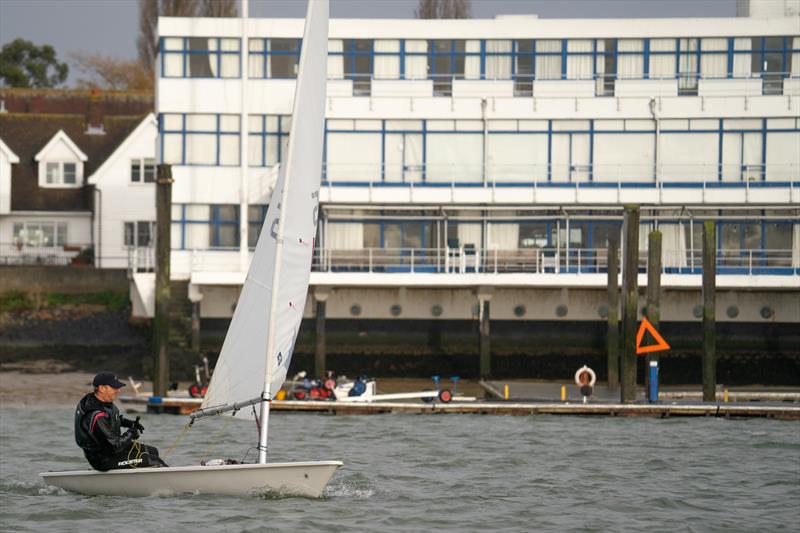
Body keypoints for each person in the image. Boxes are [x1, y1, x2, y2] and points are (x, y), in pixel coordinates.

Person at [74, 372, 168, 471]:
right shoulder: (96, 415)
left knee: (153, 452)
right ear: (102, 388)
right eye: (114, 387)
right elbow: (114, 446)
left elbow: (112, 418)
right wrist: (131, 433)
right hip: (103, 459)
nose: (118, 390)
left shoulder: (101, 402)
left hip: (111, 451)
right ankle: (171, 481)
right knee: (154, 460)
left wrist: (129, 423)